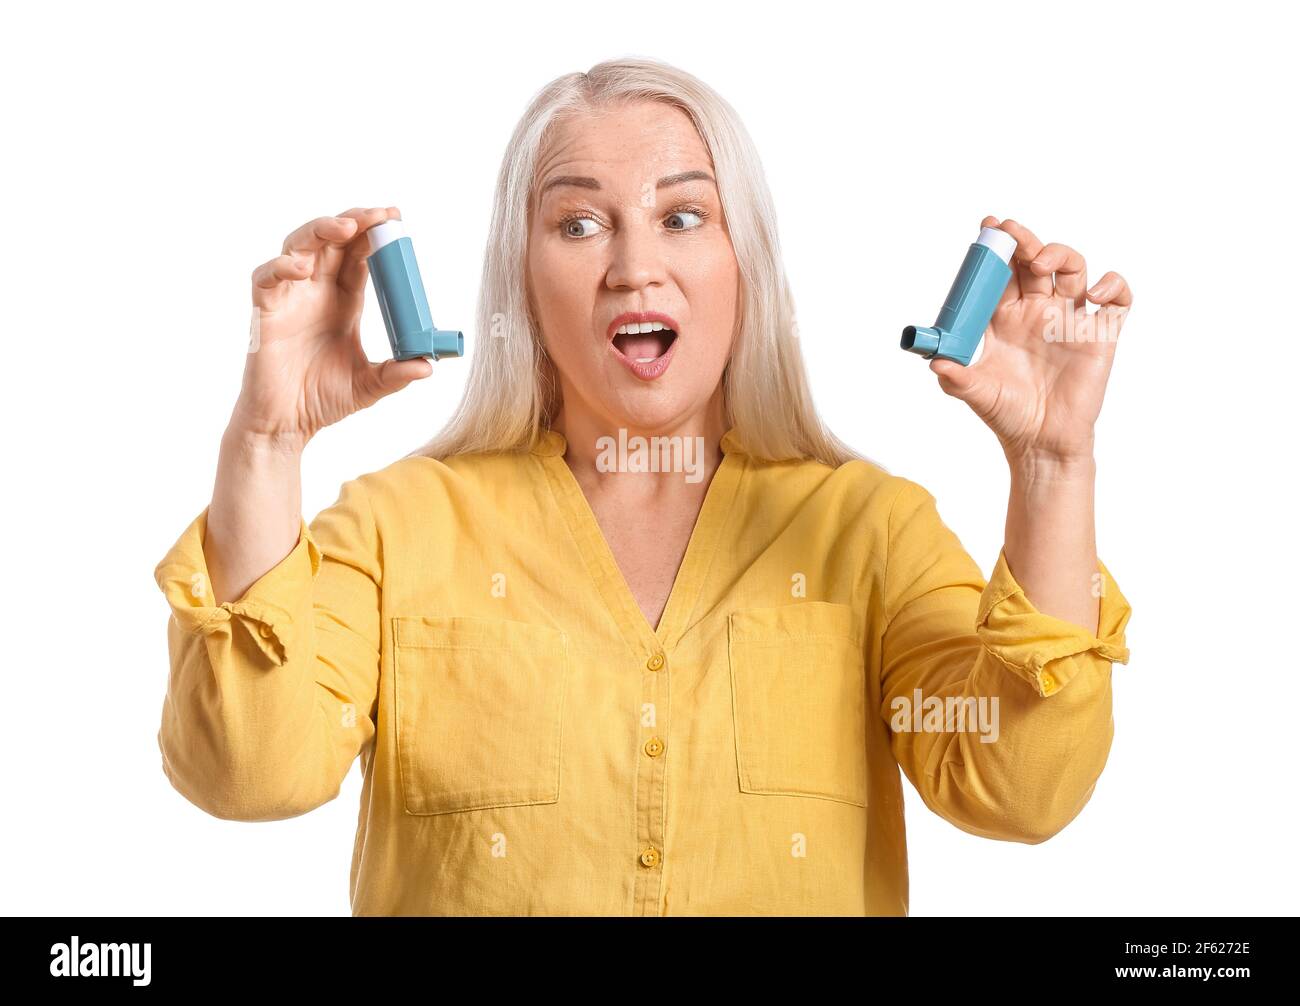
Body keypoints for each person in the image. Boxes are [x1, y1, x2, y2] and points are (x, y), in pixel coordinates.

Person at [152, 57, 1133, 916]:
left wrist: (1052, 466)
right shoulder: (398, 526)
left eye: (682, 216)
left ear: (742, 261)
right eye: (578, 223)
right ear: (522, 279)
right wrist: (266, 442)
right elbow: (249, 771)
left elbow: (1021, 788)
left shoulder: (866, 529)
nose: (634, 267)